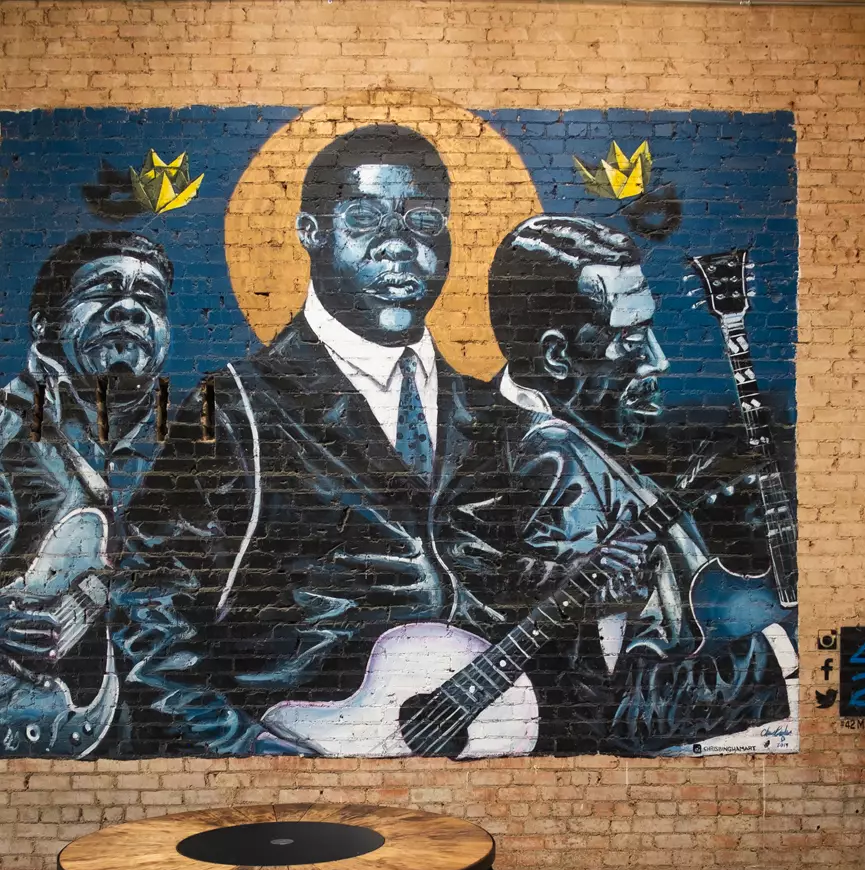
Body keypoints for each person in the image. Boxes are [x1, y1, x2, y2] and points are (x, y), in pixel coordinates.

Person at [113, 125, 637, 756]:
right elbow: (148, 606)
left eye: (423, 220)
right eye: (364, 218)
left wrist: (574, 590)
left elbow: (490, 583)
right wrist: (246, 751)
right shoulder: (239, 408)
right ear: (311, 233)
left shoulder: (496, 419)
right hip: (306, 754)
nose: (398, 246)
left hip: (481, 752)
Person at [487, 213, 794, 755]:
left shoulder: (571, 438)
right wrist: (784, 651)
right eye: (631, 341)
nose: (660, 359)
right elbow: (612, 711)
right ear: (558, 356)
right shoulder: (554, 463)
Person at [0, 231, 171, 755]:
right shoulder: (8, 426)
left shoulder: (196, 437)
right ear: (46, 324)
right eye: (104, 291)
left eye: (150, 300)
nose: (132, 311)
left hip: (154, 728)